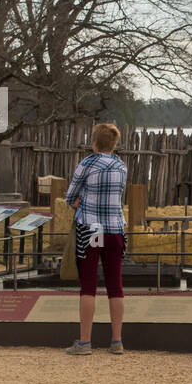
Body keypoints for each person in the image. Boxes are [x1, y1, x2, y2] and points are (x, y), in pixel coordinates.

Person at [64, 122, 128, 355]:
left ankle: (84, 342)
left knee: (88, 286)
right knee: (115, 285)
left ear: (94, 142)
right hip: (115, 229)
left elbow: (70, 197)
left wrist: (82, 202)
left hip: (92, 229)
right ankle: (117, 341)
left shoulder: (87, 163)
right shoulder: (121, 166)